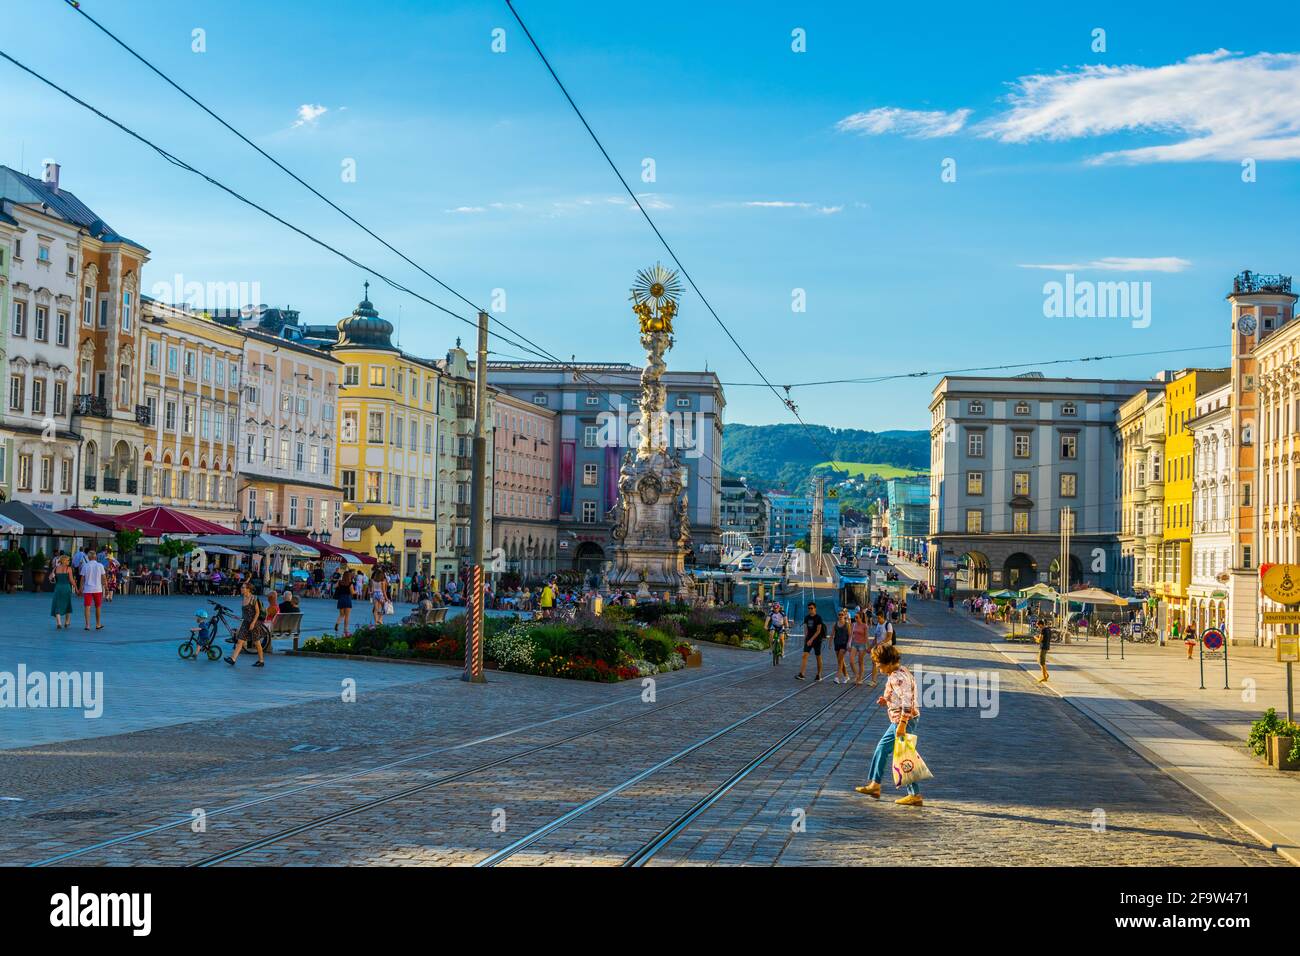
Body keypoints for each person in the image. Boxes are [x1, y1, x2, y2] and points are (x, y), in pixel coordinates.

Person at [855, 643, 923, 806]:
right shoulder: (901, 672)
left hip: (902, 721)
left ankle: (913, 794)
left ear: (888, 662)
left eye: (879, 664)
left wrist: (902, 724)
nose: (878, 668)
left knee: (903, 755)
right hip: (902, 720)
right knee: (892, 752)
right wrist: (887, 700)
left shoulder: (897, 677)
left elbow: (907, 701)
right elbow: (903, 697)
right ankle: (876, 784)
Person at [226, 579, 266, 667]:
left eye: (243, 587)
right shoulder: (244, 598)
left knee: (256, 642)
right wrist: (241, 625)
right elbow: (244, 614)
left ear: (248, 589)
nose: (241, 589)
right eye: (241, 587)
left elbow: (257, 612)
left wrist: (253, 623)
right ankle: (233, 659)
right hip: (245, 622)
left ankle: (261, 661)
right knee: (240, 641)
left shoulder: (253, 598)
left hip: (254, 623)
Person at [796, 601, 826, 681]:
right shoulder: (807, 617)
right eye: (809, 608)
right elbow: (806, 629)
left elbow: (818, 631)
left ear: (815, 609)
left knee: (818, 657)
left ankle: (819, 674)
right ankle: (802, 674)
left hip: (817, 640)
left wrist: (811, 640)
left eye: (811, 608)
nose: (810, 610)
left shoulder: (818, 618)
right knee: (804, 655)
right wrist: (806, 638)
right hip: (809, 639)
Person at [79, 549, 107, 631]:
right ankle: (98, 624)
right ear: (95, 557)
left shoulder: (85, 566)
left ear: (88, 557)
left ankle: (87, 625)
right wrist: (106, 588)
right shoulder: (100, 566)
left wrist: (81, 588)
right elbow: (104, 578)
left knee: (87, 607)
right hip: (98, 589)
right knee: (98, 607)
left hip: (87, 589)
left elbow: (82, 579)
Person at [49, 554, 78, 629]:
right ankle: (67, 622)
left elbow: (50, 578)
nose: (69, 561)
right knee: (67, 604)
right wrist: (76, 589)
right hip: (66, 588)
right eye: (68, 560)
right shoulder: (69, 569)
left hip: (58, 588)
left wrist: (52, 577)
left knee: (57, 604)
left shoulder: (55, 568)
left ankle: (59, 623)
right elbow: (71, 580)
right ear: (64, 561)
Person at [850, 610, 872, 685]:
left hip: (862, 645)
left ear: (860, 618)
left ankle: (860, 678)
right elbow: (851, 635)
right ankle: (856, 674)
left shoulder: (864, 626)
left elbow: (866, 637)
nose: (855, 619)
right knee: (851, 661)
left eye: (856, 617)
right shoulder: (853, 625)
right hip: (854, 644)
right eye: (855, 617)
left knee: (860, 662)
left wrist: (868, 647)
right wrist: (848, 644)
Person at [832, 608, 852, 684]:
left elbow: (850, 635)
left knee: (840, 660)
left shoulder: (847, 624)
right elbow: (832, 634)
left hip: (844, 644)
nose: (840, 616)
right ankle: (846, 676)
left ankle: (837, 677)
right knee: (840, 660)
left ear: (845, 615)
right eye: (839, 615)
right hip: (837, 643)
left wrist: (849, 643)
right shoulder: (836, 624)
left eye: (842, 615)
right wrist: (830, 642)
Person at [334, 569, 355, 636]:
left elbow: (335, 586)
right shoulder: (350, 583)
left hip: (341, 599)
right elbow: (352, 592)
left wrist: (339, 582)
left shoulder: (340, 582)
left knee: (341, 614)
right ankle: (346, 629)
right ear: (349, 576)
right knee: (347, 616)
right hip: (347, 599)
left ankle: (337, 623)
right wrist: (356, 592)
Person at [1035, 618, 1053, 682]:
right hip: (1047, 647)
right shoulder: (1048, 629)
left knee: (1041, 663)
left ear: (1040, 625)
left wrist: (1035, 638)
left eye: (1038, 626)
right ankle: (1046, 674)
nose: (1038, 628)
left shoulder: (1043, 630)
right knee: (1040, 661)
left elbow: (1039, 640)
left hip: (1043, 647)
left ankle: (1044, 677)